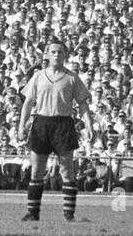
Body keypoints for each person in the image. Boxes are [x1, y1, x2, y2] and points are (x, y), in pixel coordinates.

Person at [18, 38, 95, 222]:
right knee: (37, 171)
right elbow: (28, 103)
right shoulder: (38, 76)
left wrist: (89, 125)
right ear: (46, 55)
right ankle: (33, 213)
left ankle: (69, 214)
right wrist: (22, 125)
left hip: (63, 124)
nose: (56, 55)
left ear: (65, 55)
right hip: (41, 123)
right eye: (53, 52)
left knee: (67, 171)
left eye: (60, 52)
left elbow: (83, 104)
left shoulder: (72, 78)